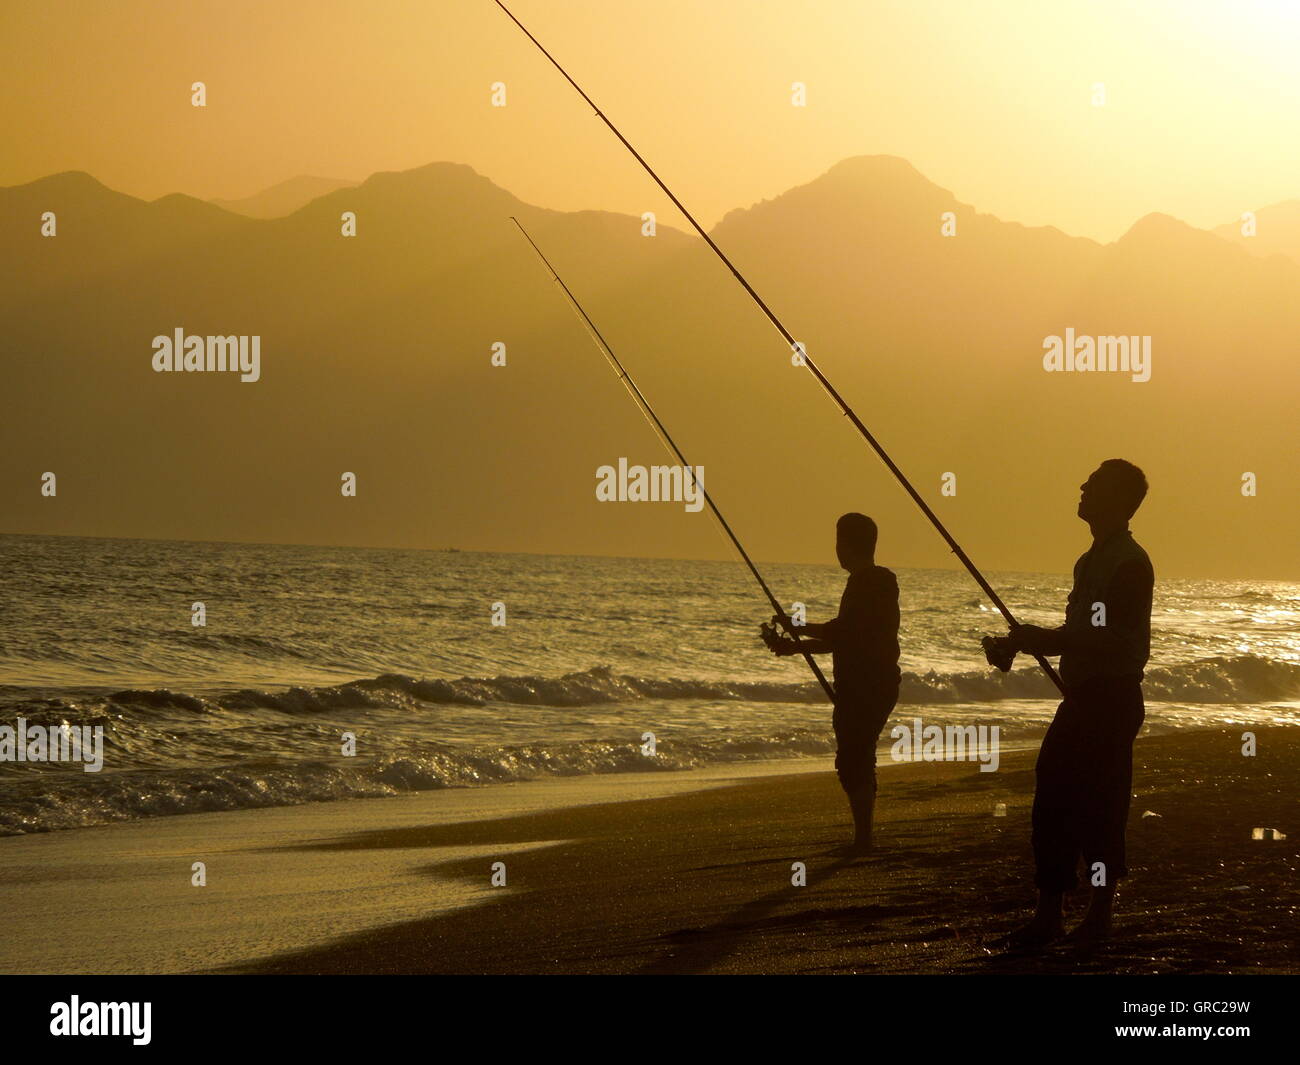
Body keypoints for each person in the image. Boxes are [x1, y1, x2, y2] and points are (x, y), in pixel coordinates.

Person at [983, 459, 1153, 949]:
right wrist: (1025, 642)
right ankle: (1050, 912)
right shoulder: (1088, 560)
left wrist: (1042, 639)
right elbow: (1082, 632)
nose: (1081, 487)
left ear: (1118, 499)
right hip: (1082, 698)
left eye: (1093, 484)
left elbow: (1112, 637)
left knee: (1101, 806)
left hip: (1113, 699)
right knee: (1053, 799)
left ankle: (1100, 913)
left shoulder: (1130, 563)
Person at [762, 513, 900, 855]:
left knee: (853, 757)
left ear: (847, 545)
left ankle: (864, 840)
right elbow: (845, 638)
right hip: (868, 685)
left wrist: (799, 627)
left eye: (838, 542)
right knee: (858, 755)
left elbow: (845, 632)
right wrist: (794, 645)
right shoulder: (869, 581)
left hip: (867, 687)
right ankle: (863, 837)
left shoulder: (873, 581)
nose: (836, 549)